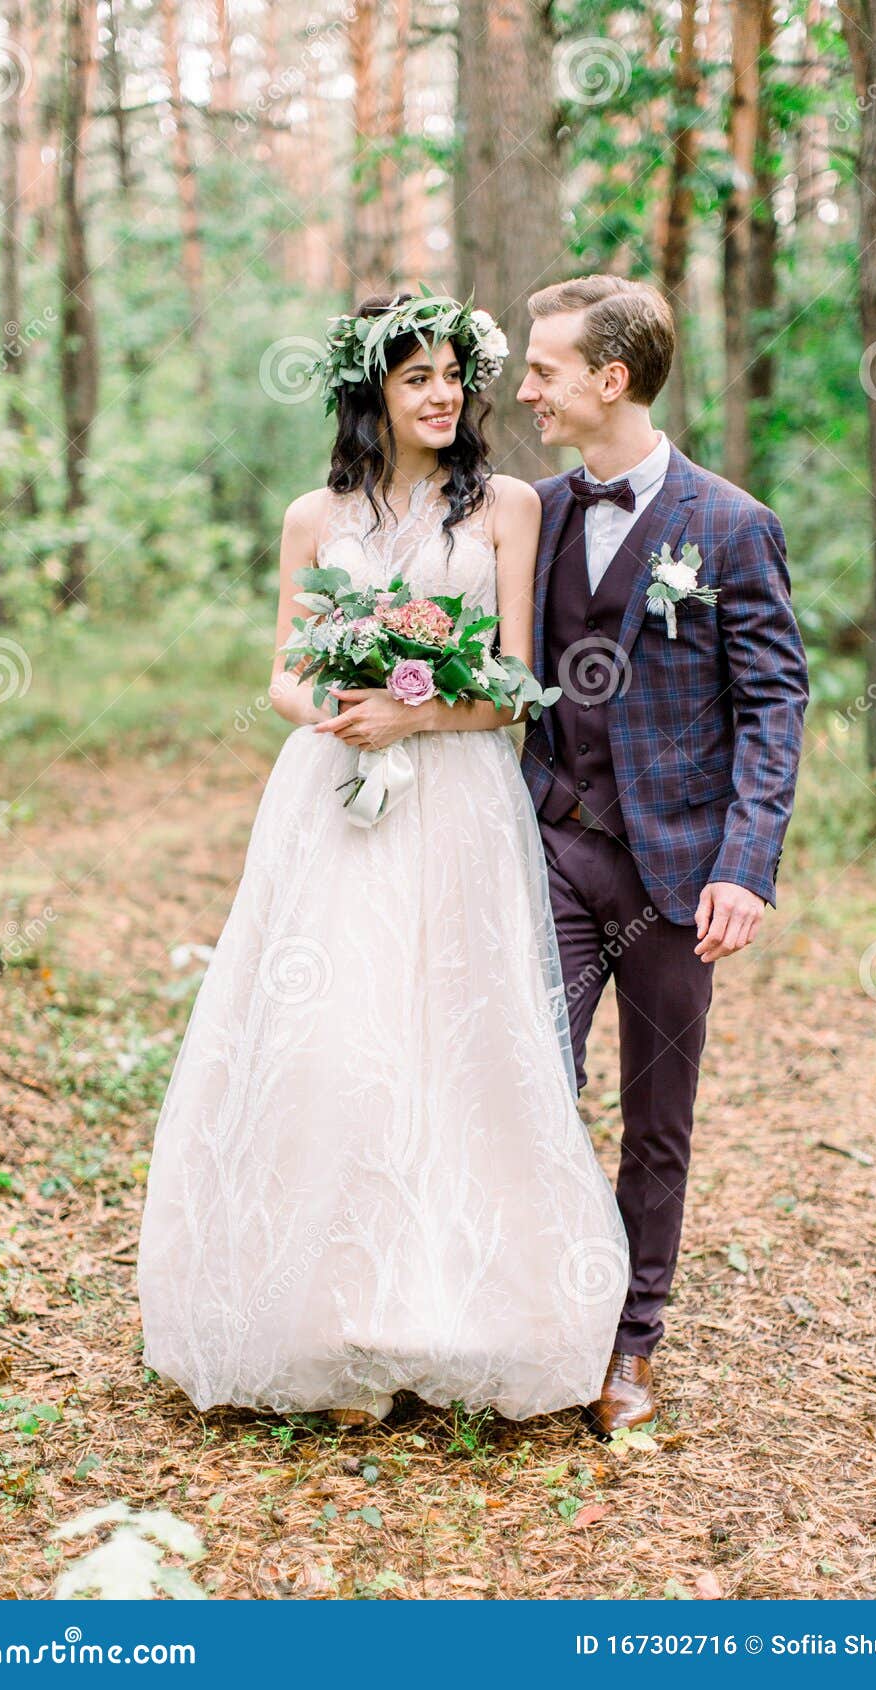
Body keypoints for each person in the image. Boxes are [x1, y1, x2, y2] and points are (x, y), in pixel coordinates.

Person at [137, 290, 629, 1428]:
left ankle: (457, 1311)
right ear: (372, 392)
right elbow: (278, 670)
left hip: (456, 801)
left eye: (454, 373)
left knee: (454, 1037)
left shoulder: (506, 505)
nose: (445, 393)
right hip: (334, 798)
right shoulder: (314, 515)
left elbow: (513, 686)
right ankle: (326, 1322)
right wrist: (337, 702)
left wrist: (418, 712)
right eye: (417, 377)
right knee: (331, 1033)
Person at [517, 275, 809, 1434]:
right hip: (549, 849)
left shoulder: (730, 525)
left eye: (543, 368)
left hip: (677, 874)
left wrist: (743, 861)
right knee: (527, 1079)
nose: (525, 388)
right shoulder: (532, 511)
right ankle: (528, 1313)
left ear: (609, 379)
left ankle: (628, 1341)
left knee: (657, 1114)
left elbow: (772, 703)